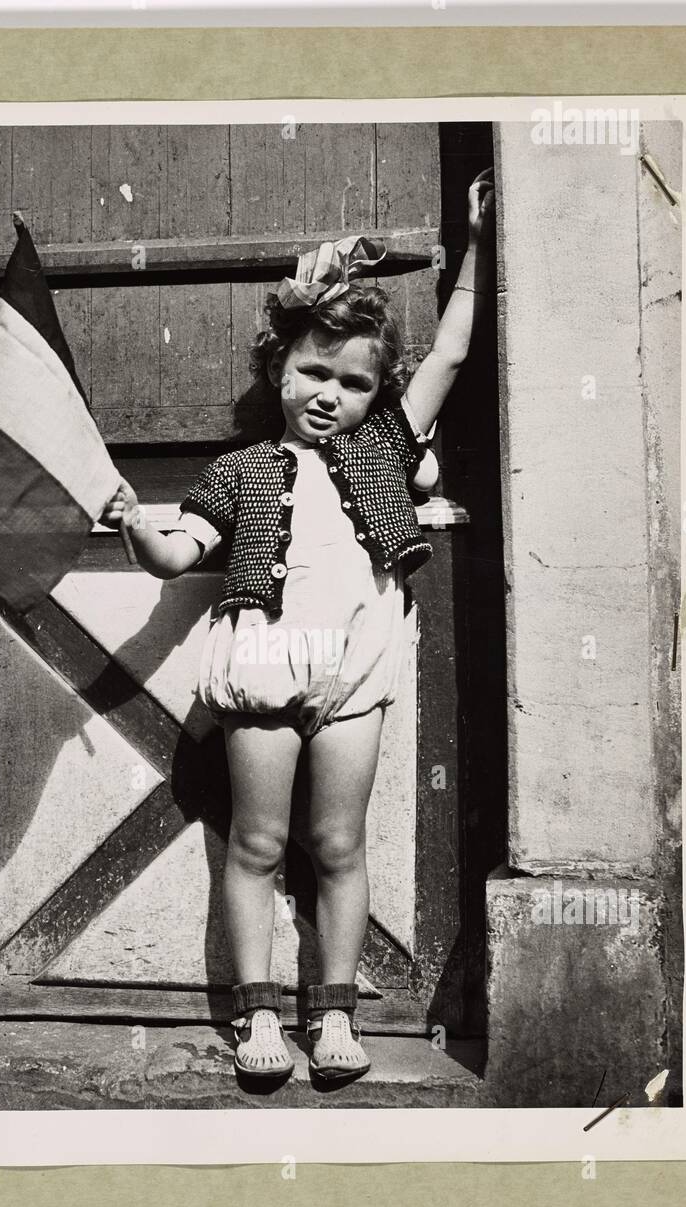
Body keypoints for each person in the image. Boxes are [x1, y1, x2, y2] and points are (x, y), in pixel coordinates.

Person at [104, 170, 495, 1084]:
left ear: (374, 395)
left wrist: (474, 247)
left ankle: (334, 1011)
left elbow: (446, 355)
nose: (330, 394)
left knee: (337, 846)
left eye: (353, 383)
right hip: (267, 665)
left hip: (355, 670)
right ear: (279, 370)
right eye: (314, 373)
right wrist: (131, 521)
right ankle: (256, 1017)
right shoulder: (242, 468)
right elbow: (174, 555)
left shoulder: (385, 447)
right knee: (255, 844)